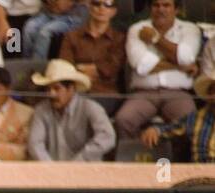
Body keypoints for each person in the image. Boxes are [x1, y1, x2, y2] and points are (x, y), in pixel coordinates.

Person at [114, 0, 200, 141]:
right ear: (150, 8)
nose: (161, 9)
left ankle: (178, 162)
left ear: (176, 9)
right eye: (156, 5)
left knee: (191, 123)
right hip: (143, 93)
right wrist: (179, 65)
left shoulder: (190, 29)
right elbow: (141, 65)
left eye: (166, 5)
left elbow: (185, 57)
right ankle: (136, 159)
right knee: (124, 119)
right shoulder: (137, 29)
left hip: (178, 93)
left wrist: (155, 38)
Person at [28, 59, 115, 161]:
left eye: (57, 88)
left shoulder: (90, 108)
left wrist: (81, 160)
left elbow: (108, 137)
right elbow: (35, 144)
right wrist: (50, 168)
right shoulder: (41, 110)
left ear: (71, 89)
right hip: (51, 172)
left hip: (87, 172)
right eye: (48, 89)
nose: (51, 94)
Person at [58, 0, 125, 116]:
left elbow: (112, 68)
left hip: (105, 92)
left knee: (86, 110)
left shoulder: (119, 39)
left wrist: (82, 69)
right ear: (89, 7)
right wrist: (97, 70)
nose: (101, 8)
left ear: (114, 11)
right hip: (76, 90)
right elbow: (65, 67)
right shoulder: (71, 37)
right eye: (97, 3)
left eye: (107, 5)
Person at [142, 74, 214, 163]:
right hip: (199, 171)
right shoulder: (196, 118)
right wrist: (155, 130)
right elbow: (171, 128)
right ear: (210, 95)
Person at [22, 0, 87, 62]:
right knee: (29, 27)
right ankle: (27, 64)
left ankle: (36, 67)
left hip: (73, 15)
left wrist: (70, 1)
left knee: (45, 32)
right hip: (50, 12)